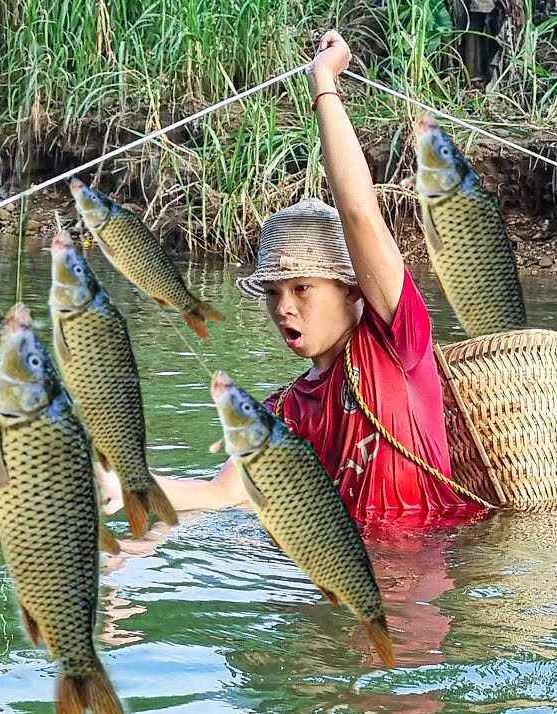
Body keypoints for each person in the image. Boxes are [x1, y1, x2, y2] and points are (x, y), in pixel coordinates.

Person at [102, 30, 488, 526]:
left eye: (302, 288)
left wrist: (323, 83)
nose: (284, 307)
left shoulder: (397, 342)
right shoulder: (283, 410)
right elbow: (220, 496)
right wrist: (127, 495)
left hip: (414, 581)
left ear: (353, 289)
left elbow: (360, 213)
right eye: (274, 292)